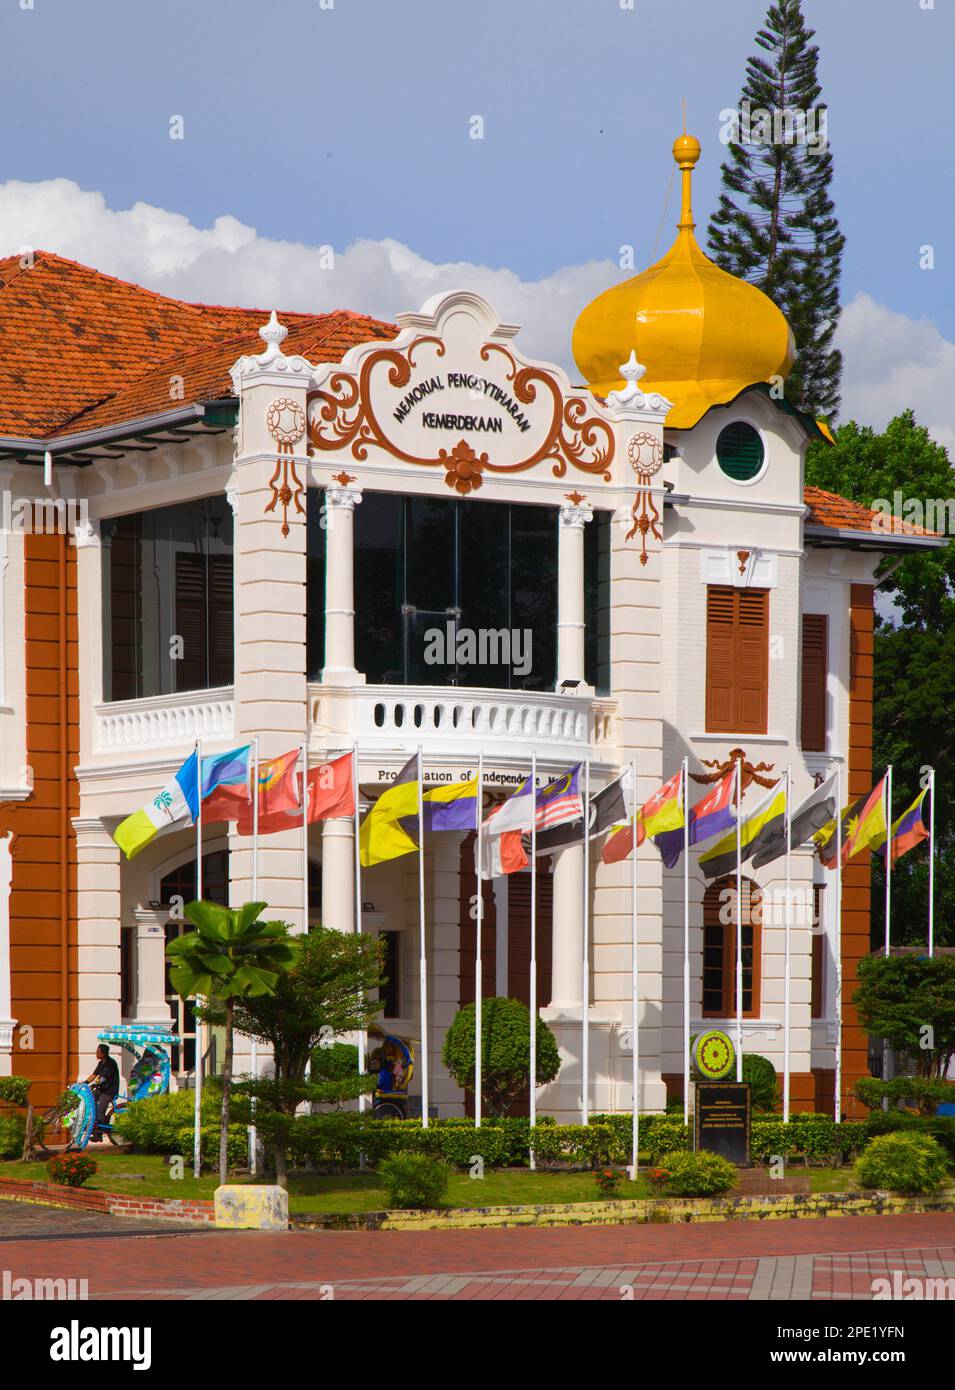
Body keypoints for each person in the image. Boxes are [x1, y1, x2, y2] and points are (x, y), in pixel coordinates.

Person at [85, 1044, 120, 1138]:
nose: (96, 1054)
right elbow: (94, 1075)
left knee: (101, 1106)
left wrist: (95, 1084)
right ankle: (94, 1121)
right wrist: (84, 1083)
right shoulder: (101, 1063)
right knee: (90, 1098)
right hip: (102, 1088)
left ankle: (99, 1133)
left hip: (110, 1090)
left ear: (103, 1053)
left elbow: (103, 1078)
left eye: (98, 1052)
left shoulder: (111, 1063)